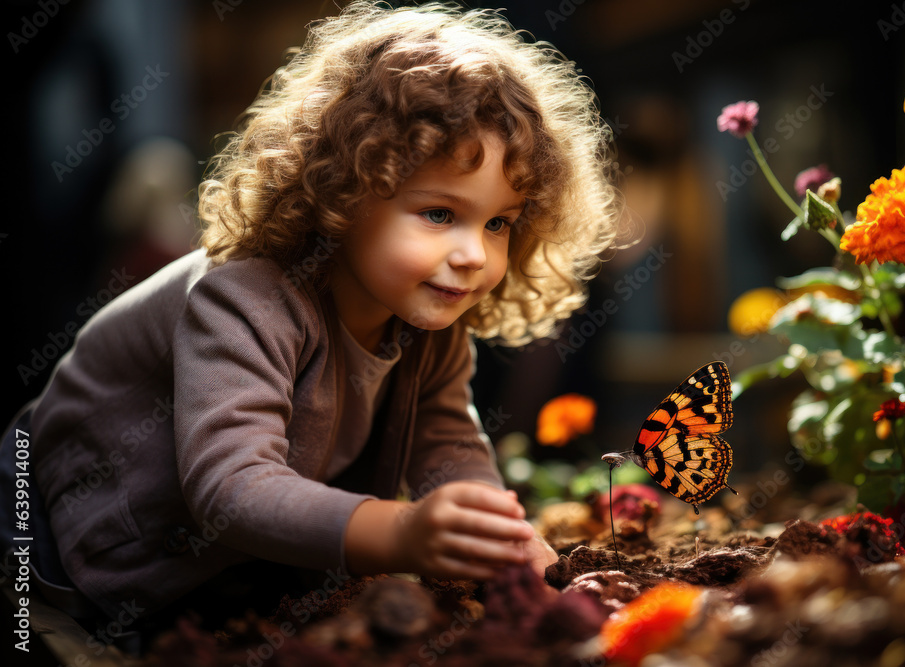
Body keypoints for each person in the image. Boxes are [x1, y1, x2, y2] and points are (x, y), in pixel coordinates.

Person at [7, 1, 623, 622]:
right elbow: (229, 488)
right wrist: (403, 533)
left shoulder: (428, 322)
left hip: (222, 571)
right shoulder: (244, 299)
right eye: (439, 214)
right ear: (345, 190)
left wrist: (502, 544)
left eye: (498, 223)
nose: (472, 254)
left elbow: (449, 448)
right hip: (62, 539)